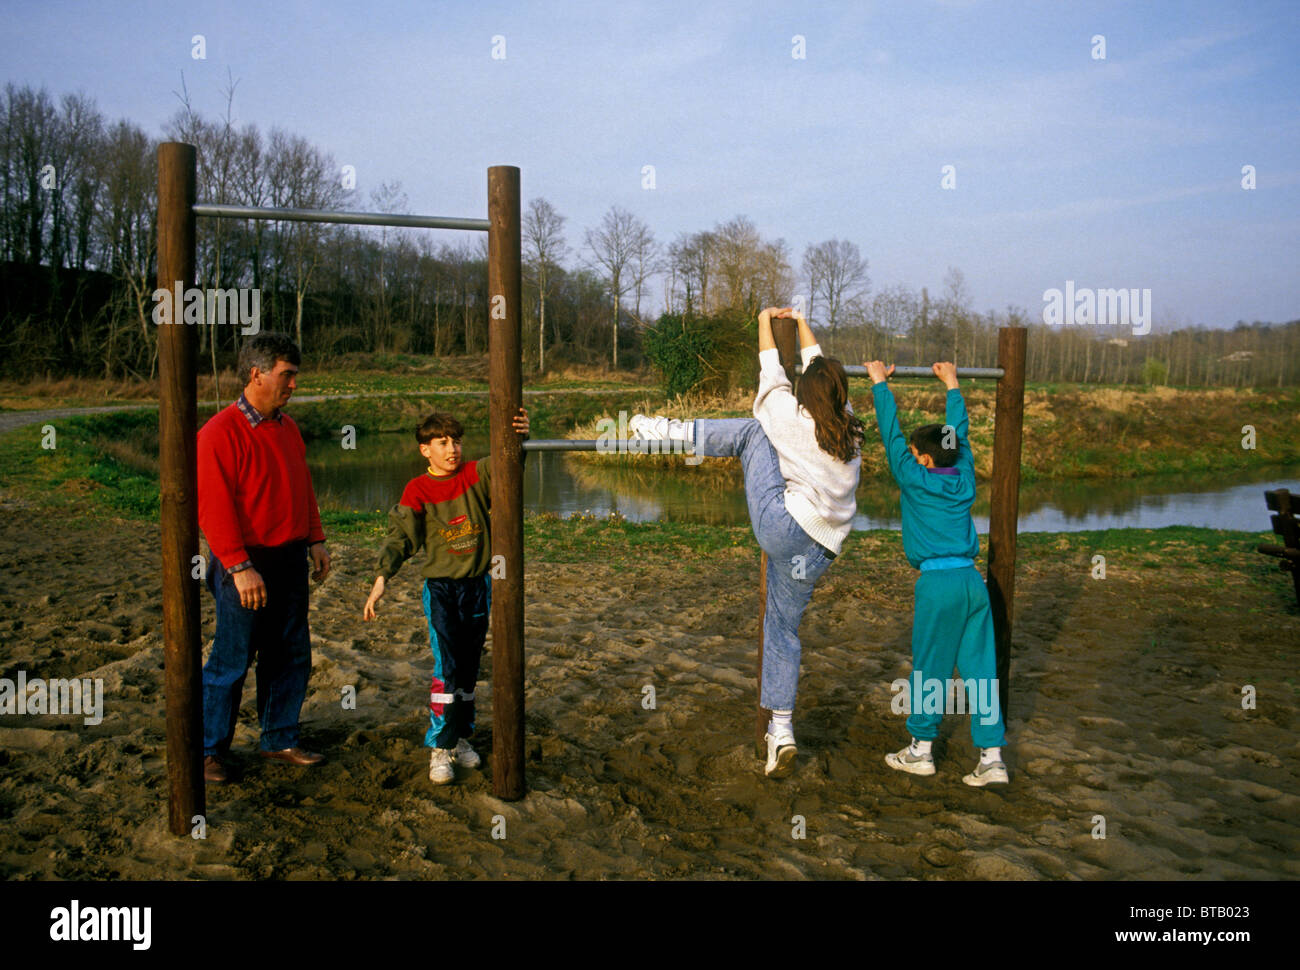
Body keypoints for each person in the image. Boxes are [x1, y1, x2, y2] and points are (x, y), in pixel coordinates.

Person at [631, 307, 862, 778]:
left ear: (807, 391)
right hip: (821, 550)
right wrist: (799, 324)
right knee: (783, 629)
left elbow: (770, 367)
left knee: (754, 434)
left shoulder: (788, 415)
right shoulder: (849, 425)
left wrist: (764, 319)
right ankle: (781, 729)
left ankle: (666, 433)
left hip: (783, 527)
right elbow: (820, 366)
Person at [363, 406, 530, 785]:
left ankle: (461, 740)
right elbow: (400, 537)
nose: (452, 449)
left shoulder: (475, 474)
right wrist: (381, 577)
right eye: (442, 443)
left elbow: (509, 464)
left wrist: (522, 436)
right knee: (446, 671)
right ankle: (440, 748)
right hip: (441, 590)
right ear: (426, 450)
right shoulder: (417, 489)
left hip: (477, 587)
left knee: (470, 670)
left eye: (456, 441)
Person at [864, 359, 1008, 786]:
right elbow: (959, 438)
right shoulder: (964, 478)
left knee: (930, 666)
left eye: (913, 454)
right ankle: (992, 758)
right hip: (972, 583)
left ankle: (921, 750)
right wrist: (952, 385)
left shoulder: (914, 479)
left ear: (924, 459)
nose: (906, 456)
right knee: (981, 668)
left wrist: (878, 384)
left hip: (939, 585)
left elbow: (890, 435)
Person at [198, 332, 331, 784]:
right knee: (231, 660)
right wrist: (238, 567)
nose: (293, 384)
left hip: (290, 558)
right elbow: (213, 509)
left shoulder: (288, 428)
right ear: (256, 374)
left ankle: (278, 738)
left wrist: (315, 538)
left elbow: (301, 486)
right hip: (245, 564)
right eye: (286, 375)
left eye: (294, 376)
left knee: (291, 654)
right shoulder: (218, 434)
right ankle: (209, 750)